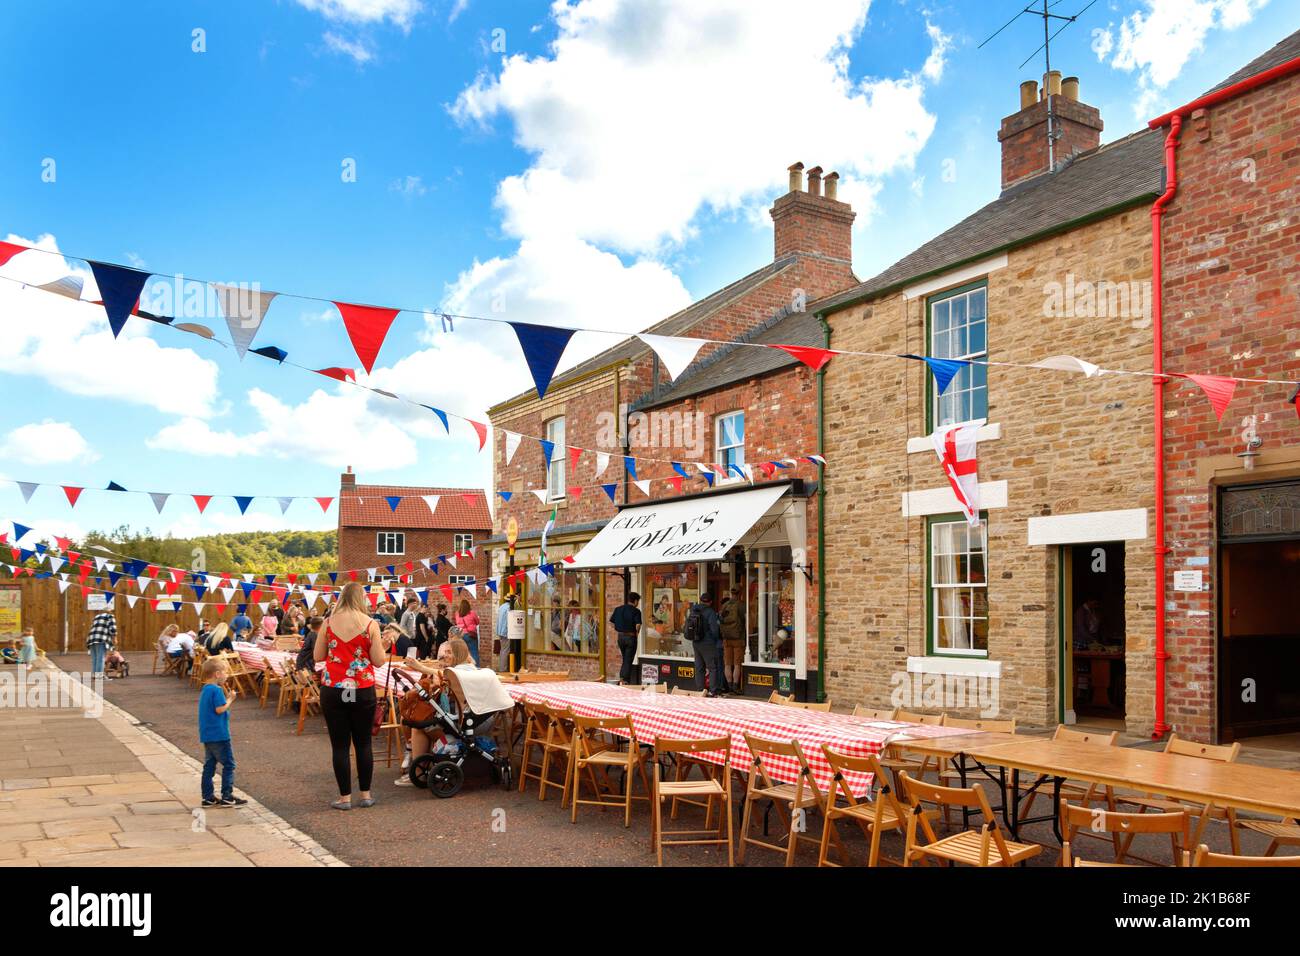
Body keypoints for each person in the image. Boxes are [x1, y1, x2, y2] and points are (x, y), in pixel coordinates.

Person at [315, 581, 391, 810]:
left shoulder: (327, 623)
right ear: (361, 599)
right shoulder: (370, 624)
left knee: (340, 746)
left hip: (335, 688)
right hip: (361, 688)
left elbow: (318, 656)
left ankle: (344, 798)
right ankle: (366, 795)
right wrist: (383, 647)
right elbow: (378, 661)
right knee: (363, 743)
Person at [198, 657, 247, 807]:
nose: (227, 675)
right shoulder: (216, 690)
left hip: (207, 734)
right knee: (229, 764)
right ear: (217, 674)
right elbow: (220, 709)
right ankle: (227, 795)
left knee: (209, 765)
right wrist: (230, 699)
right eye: (225, 672)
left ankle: (208, 796)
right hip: (219, 734)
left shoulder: (206, 689)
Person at [687, 592, 724, 696]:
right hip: (708, 643)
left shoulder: (693, 610)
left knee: (699, 667)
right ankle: (713, 691)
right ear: (710, 602)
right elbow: (715, 630)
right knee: (712, 667)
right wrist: (716, 639)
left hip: (696, 642)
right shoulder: (710, 612)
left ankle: (700, 690)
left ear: (701, 600)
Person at [611, 592, 642, 685]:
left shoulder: (618, 609)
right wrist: (637, 633)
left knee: (625, 659)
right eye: (638, 601)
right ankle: (624, 681)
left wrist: (619, 629)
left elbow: (612, 622)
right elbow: (638, 625)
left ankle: (622, 678)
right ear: (635, 601)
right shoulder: (636, 611)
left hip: (620, 637)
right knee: (628, 660)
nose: (638, 603)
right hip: (630, 637)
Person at [720, 587, 744, 695]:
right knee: (737, 663)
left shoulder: (725, 605)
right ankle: (735, 686)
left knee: (728, 664)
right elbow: (745, 620)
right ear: (740, 593)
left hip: (726, 638)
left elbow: (720, 620)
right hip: (738, 638)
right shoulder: (741, 605)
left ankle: (729, 686)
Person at [86, 606, 117, 678]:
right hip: (101, 638)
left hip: (91, 639)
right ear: (109, 611)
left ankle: (94, 675)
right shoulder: (110, 616)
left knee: (95, 658)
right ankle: (99, 676)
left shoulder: (96, 616)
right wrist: (115, 638)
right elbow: (113, 628)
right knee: (101, 658)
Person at [453, 599, 481, 665]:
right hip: (470, 635)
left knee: (463, 653)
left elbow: (457, 623)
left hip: (461, 635)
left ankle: (464, 667)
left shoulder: (457, 614)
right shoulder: (472, 613)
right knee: (474, 652)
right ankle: (476, 668)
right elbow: (477, 622)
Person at [495, 593, 515, 672]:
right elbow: (508, 621)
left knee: (502, 650)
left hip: (500, 631)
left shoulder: (501, 606)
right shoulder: (509, 608)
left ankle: (501, 668)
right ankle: (503, 669)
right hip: (506, 632)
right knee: (505, 651)